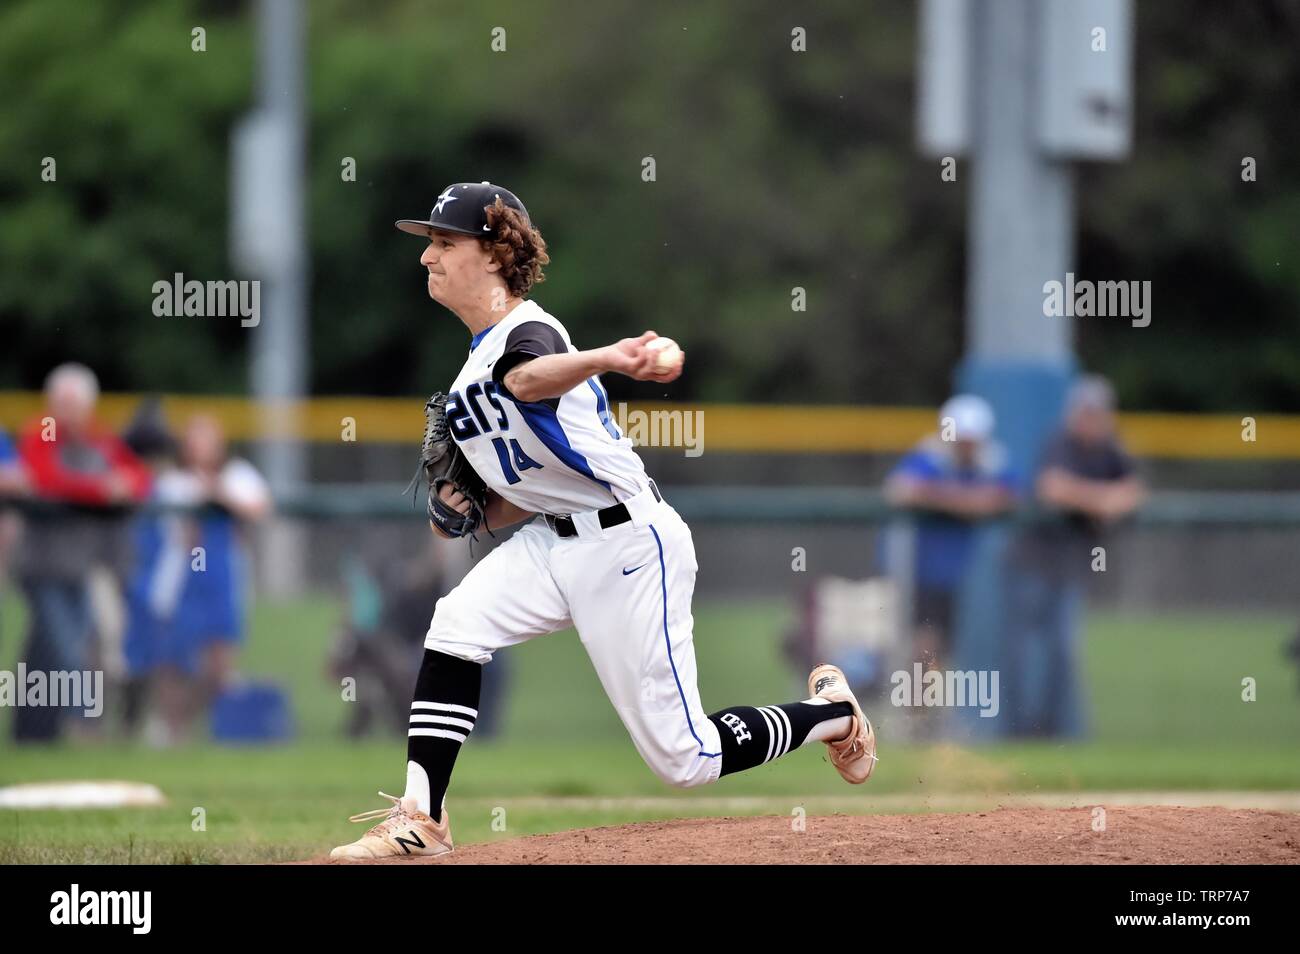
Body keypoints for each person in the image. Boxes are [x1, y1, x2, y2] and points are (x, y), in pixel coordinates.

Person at [329, 181, 877, 859]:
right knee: (456, 625)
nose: (427, 258)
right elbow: (523, 493)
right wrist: (466, 512)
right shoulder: (474, 365)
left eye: (444, 243)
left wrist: (611, 358)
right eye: (429, 245)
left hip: (627, 544)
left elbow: (527, 380)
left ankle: (832, 717)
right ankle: (424, 818)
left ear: (496, 254)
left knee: (687, 759)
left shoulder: (530, 332)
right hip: (553, 538)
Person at [15, 363, 151, 741]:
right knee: (68, 649)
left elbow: (138, 477)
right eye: (61, 402)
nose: (67, 411)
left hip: (82, 566)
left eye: (74, 403)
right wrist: (101, 487)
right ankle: (87, 723)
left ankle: (33, 735)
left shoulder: (98, 440)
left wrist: (124, 484)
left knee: (48, 652)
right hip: (42, 567)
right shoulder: (42, 434)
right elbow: (45, 478)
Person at [1005, 375, 1145, 738]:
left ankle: (1057, 731)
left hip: (1068, 567)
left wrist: (1101, 498)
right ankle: (1026, 730)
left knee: (1064, 649)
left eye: (1098, 413)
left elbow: (1133, 491)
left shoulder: (1109, 448)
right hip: (1033, 564)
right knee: (1030, 651)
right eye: (1086, 412)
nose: (1092, 420)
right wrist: (1101, 500)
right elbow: (1053, 488)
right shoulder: (1061, 441)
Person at [124, 414, 271, 744]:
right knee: (173, 661)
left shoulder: (237, 474)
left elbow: (258, 507)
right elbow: (169, 530)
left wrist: (216, 492)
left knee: (219, 668)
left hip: (222, 580)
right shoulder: (172, 482)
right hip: (181, 580)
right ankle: (168, 728)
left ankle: (183, 721)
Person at [883, 395, 1017, 669]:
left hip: (971, 578)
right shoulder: (931, 456)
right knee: (924, 650)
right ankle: (916, 711)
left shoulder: (993, 460)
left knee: (953, 654)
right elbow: (899, 490)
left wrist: (940, 496)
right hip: (923, 573)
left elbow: (1009, 497)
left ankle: (936, 711)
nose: (966, 446)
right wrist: (965, 501)